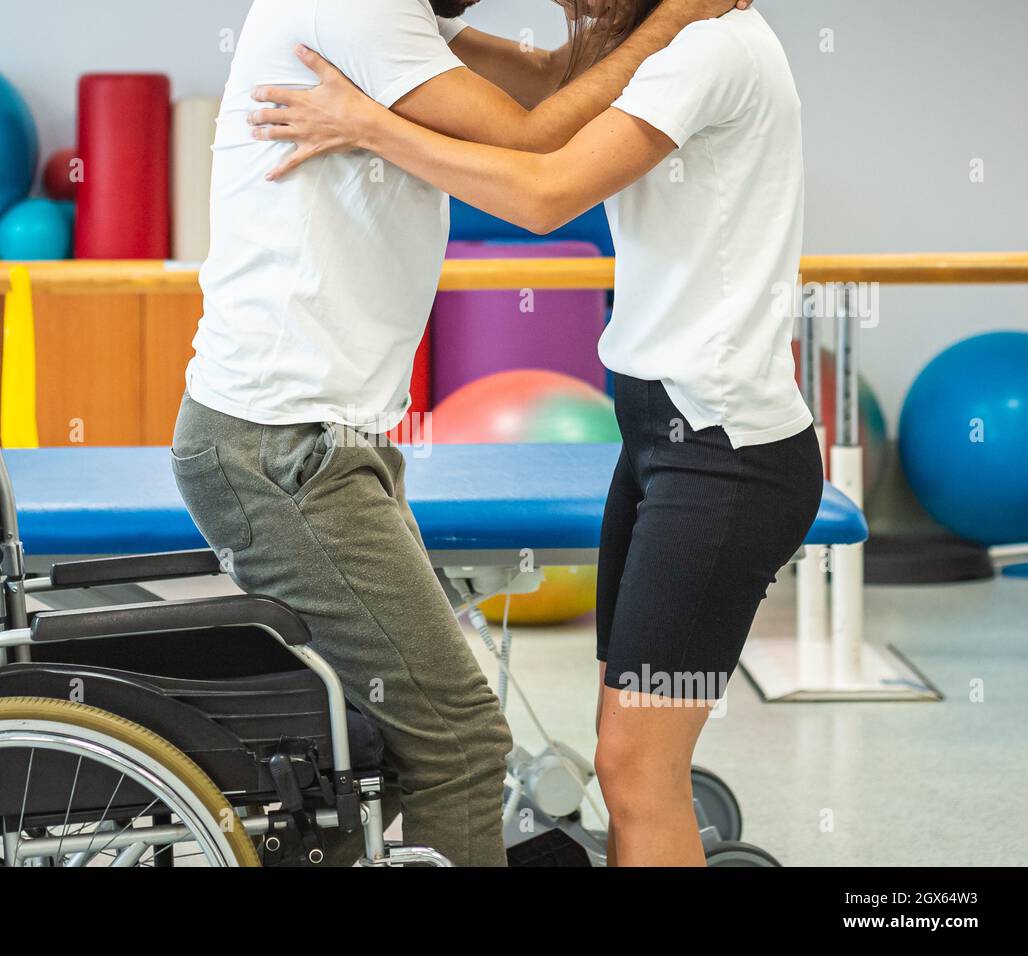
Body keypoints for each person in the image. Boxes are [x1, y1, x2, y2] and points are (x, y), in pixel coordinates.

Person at [173, 0, 752, 867]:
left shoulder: (409, 25)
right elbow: (536, 146)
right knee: (463, 746)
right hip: (281, 446)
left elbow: (561, 80)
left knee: (401, 744)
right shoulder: (354, 10)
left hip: (326, 440)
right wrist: (676, 18)